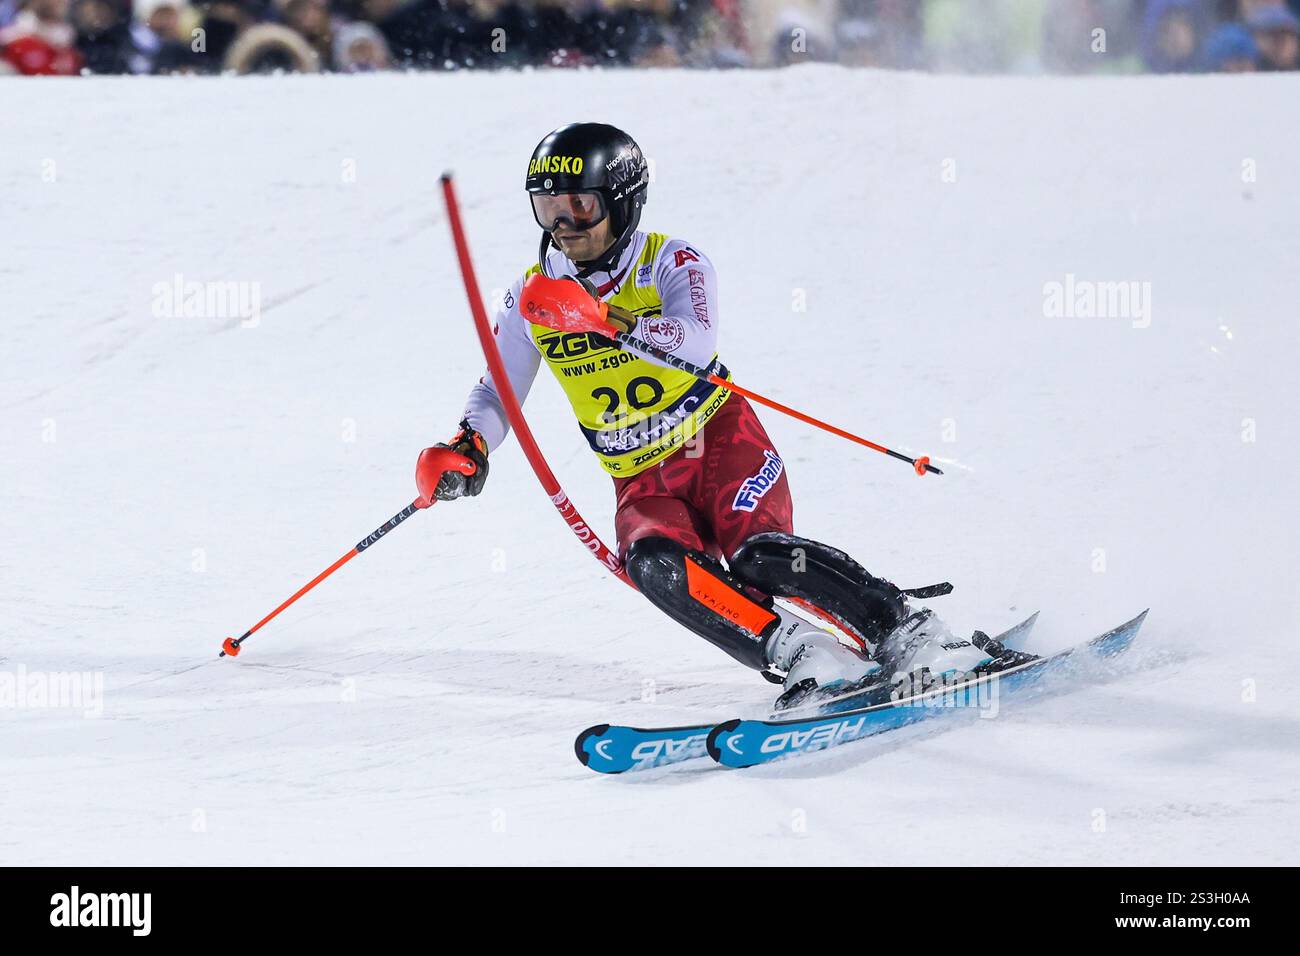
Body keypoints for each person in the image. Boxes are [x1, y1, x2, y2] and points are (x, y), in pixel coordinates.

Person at [420, 123, 1032, 710]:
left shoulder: (672, 261)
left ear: (623, 201)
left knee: (759, 555)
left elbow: (695, 341)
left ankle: (908, 631)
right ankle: (806, 655)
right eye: (546, 208)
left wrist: (604, 319)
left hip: (720, 446)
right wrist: (468, 445)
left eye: (578, 206)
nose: (561, 226)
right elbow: (498, 392)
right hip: (640, 478)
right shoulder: (529, 297)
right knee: (652, 565)